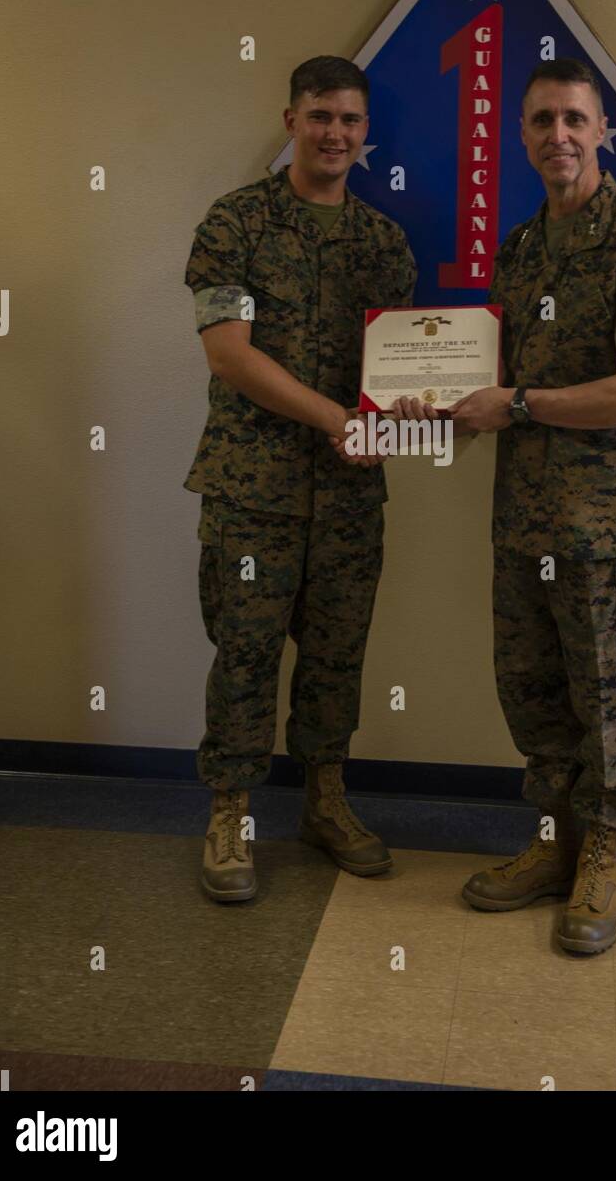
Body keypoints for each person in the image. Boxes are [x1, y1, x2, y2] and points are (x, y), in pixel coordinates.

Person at [395, 57, 616, 954]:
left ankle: (602, 852)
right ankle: (554, 841)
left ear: (603, 131)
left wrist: (515, 405)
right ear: (520, 136)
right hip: (523, 517)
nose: (557, 136)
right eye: (540, 122)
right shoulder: (522, 250)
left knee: (606, 695)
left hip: (609, 525)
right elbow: (492, 381)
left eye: (574, 119)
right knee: (531, 692)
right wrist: (429, 403)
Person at [184, 56, 416, 902]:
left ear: (364, 133)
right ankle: (231, 816)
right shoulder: (235, 224)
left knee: (335, 658)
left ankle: (325, 802)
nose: (334, 134)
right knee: (243, 655)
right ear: (290, 121)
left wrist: (413, 415)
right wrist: (336, 421)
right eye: (320, 116)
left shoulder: (382, 243)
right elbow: (229, 355)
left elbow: (399, 371)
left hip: (350, 497)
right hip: (254, 490)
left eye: (350, 121)